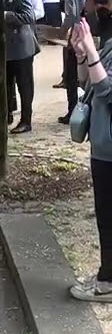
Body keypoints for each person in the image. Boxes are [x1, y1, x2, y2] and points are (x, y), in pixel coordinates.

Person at [67, 17, 112, 301]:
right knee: (105, 216)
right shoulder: (110, 45)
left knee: (109, 215)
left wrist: (92, 55)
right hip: (103, 145)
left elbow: (109, 92)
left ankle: (108, 282)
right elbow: (91, 84)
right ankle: (107, 274)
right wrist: (83, 54)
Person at [4, 0, 39, 134]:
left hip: (21, 48)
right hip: (5, 48)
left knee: (24, 85)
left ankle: (26, 120)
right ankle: (7, 113)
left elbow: (28, 16)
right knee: (6, 83)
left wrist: (7, 15)